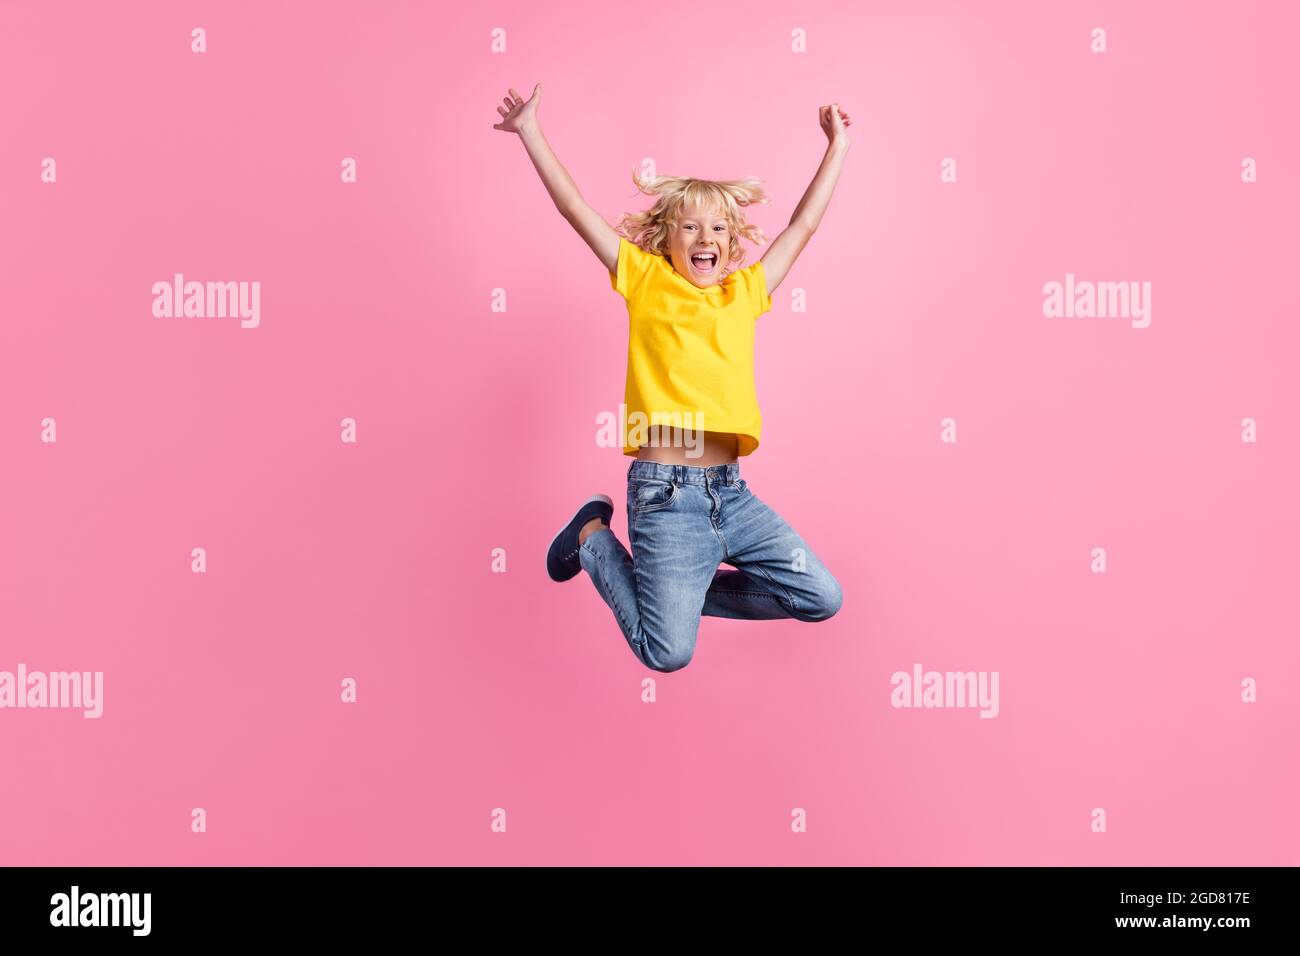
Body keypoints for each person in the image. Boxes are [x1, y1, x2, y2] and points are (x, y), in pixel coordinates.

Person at [494, 83, 850, 672]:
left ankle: (674, 597)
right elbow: (575, 210)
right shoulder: (644, 280)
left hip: (731, 494)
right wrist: (530, 129)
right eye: (689, 228)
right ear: (666, 238)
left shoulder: (747, 291)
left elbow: (803, 226)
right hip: (664, 495)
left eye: (717, 230)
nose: (704, 239)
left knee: (820, 596)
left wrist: (837, 144)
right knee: (668, 652)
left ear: (733, 244)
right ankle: (591, 538)